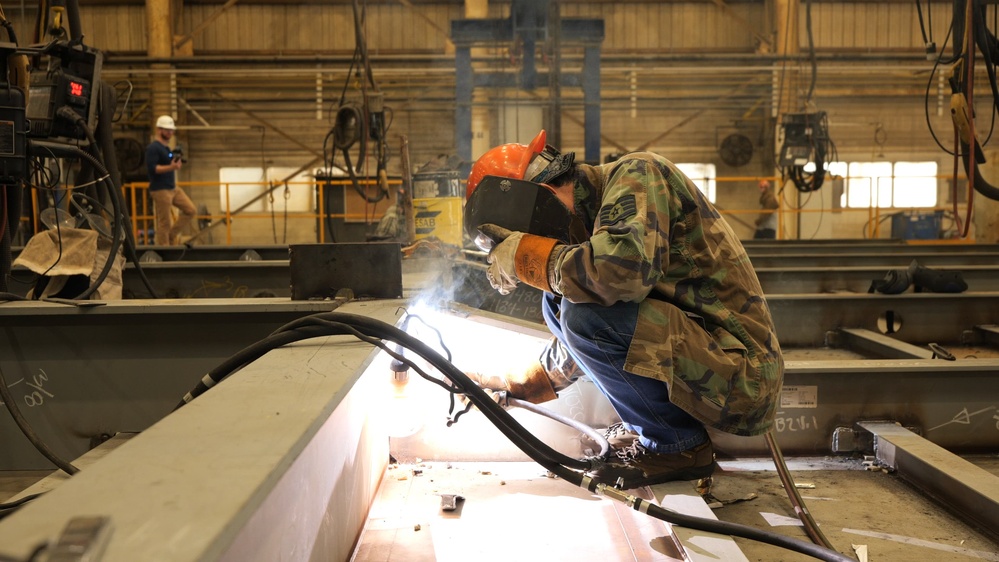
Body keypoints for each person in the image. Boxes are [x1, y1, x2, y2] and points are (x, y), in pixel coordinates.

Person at [463, 130, 783, 488]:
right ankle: (659, 429)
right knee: (558, 299)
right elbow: (584, 329)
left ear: (540, 200)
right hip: (712, 364)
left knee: (581, 306)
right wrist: (519, 384)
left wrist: (527, 257)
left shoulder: (638, 173)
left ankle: (676, 445)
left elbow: (618, 277)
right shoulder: (590, 223)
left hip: (745, 377)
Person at [146, 115, 196, 245]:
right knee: (165, 223)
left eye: (171, 130)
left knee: (190, 210)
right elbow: (153, 168)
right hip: (160, 190)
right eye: (167, 130)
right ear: (159, 130)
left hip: (172, 188)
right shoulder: (153, 148)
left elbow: (167, 163)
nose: (170, 133)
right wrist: (172, 167)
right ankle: (165, 251)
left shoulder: (166, 148)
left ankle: (171, 236)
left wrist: (174, 163)